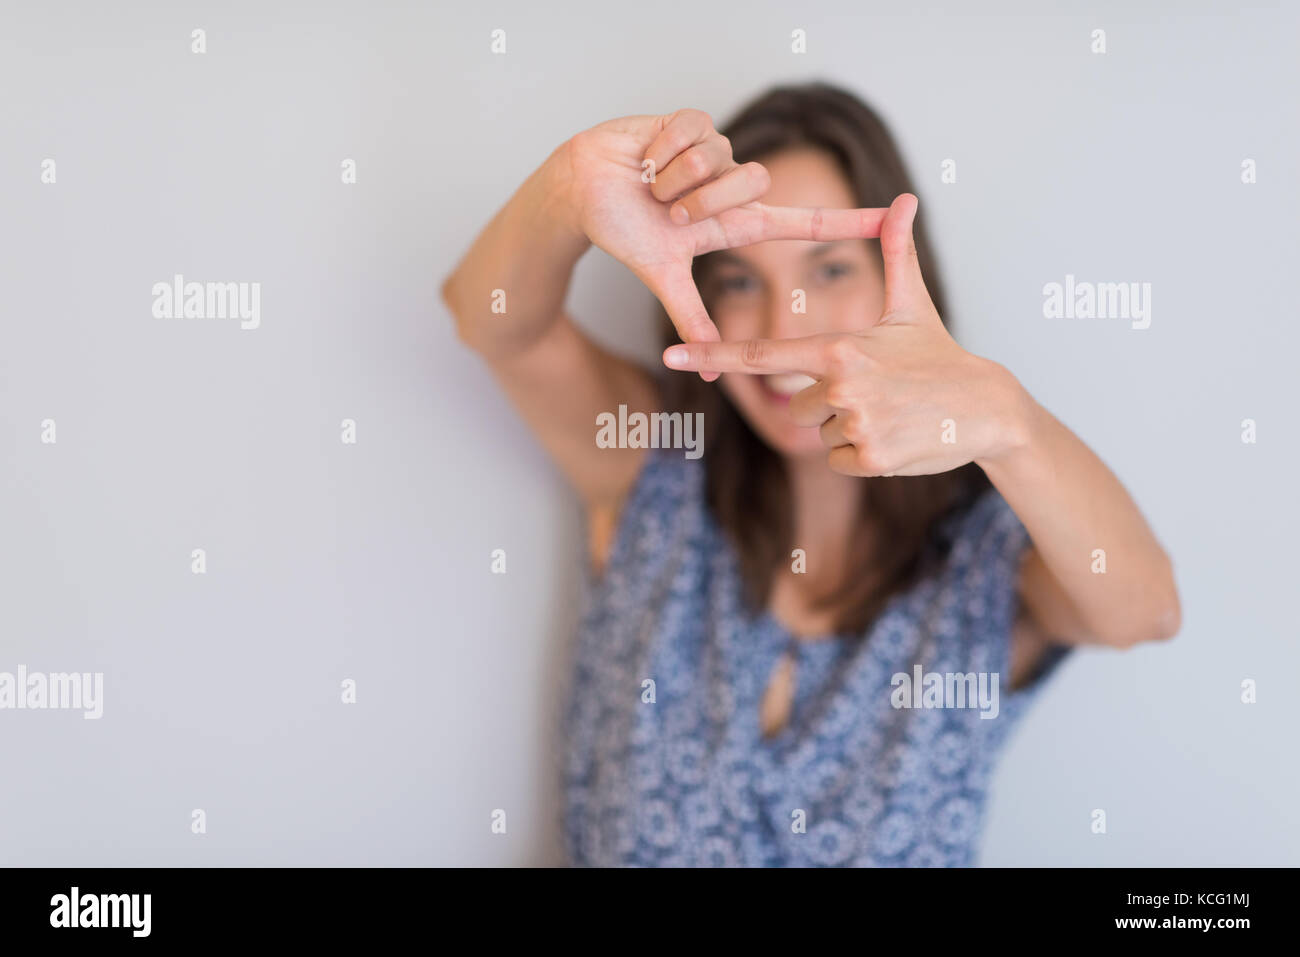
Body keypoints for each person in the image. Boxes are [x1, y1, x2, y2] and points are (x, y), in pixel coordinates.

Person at [441, 82, 1180, 866]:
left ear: (904, 281)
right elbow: (489, 320)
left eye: (828, 271)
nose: (785, 324)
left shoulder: (985, 550)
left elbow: (1144, 611)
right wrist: (567, 188)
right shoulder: (657, 460)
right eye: (739, 280)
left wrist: (1010, 420)